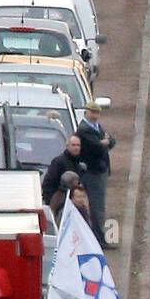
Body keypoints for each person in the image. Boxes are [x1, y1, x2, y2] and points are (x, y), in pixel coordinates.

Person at [77, 101, 115, 246]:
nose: (95, 115)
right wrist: (105, 142)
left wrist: (107, 141)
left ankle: (98, 237)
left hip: (100, 169)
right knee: (96, 206)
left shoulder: (96, 127)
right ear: (86, 112)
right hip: (93, 171)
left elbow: (111, 140)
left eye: (97, 112)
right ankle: (99, 239)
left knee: (98, 206)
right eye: (92, 112)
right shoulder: (84, 129)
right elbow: (97, 147)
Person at [41, 134, 86, 211]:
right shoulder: (58, 162)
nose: (76, 147)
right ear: (67, 146)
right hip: (60, 204)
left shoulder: (80, 163)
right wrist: (52, 203)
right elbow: (48, 184)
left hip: (74, 204)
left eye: (78, 145)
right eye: (73, 145)